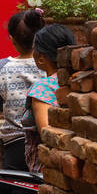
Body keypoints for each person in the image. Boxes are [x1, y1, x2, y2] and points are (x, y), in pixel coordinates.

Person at [0, 8, 45, 171]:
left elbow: (1, 106)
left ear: (12, 39)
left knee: (14, 189)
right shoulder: (47, 65)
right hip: (44, 139)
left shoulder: (1, 67)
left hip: (14, 141)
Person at [27, 22, 75, 170]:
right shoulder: (77, 80)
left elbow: (46, 133)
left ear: (41, 58)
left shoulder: (43, 89)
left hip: (47, 169)